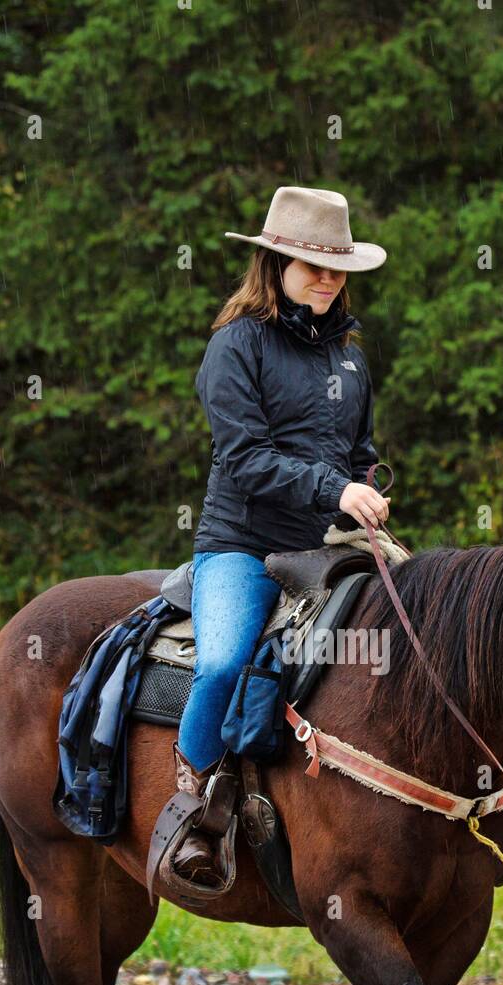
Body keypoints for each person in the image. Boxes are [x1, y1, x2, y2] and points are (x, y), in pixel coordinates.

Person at [173, 186, 390, 883]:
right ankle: (193, 809)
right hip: (242, 544)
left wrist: (370, 485)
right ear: (275, 264)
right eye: (310, 265)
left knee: (411, 642)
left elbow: (358, 448)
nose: (326, 279)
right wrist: (337, 490)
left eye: (336, 268)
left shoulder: (351, 358)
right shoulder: (235, 347)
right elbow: (244, 459)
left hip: (327, 548)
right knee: (223, 662)